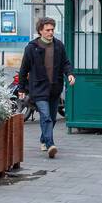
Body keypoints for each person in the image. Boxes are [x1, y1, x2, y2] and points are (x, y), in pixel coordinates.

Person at [17, 16, 74, 158]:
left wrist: (70, 74)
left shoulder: (59, 45)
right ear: (40, 31)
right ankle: (50, 145)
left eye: (52, 29)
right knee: (46, 116)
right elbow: (24, 69)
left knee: (53, 118)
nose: (51, 32)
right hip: (39, 88)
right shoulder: (31, 48)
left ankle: (43, 139)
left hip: (55, 88)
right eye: (47, 30)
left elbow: (66, 63)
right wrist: (22, 89)